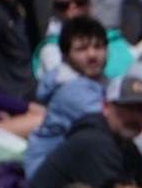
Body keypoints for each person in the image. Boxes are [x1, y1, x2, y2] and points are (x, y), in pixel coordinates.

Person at [16, 73, 142, 188]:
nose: (134, 117)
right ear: (106, 107)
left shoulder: (130, 151)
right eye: (127, 108)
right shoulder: (95, 143)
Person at [22, 14, 111, 175]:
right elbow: (113, 124)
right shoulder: (69, 91)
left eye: (97, 46)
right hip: (50, 179)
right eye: (81, 49)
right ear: (65, 55)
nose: (92, 55)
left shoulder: (104, 84)